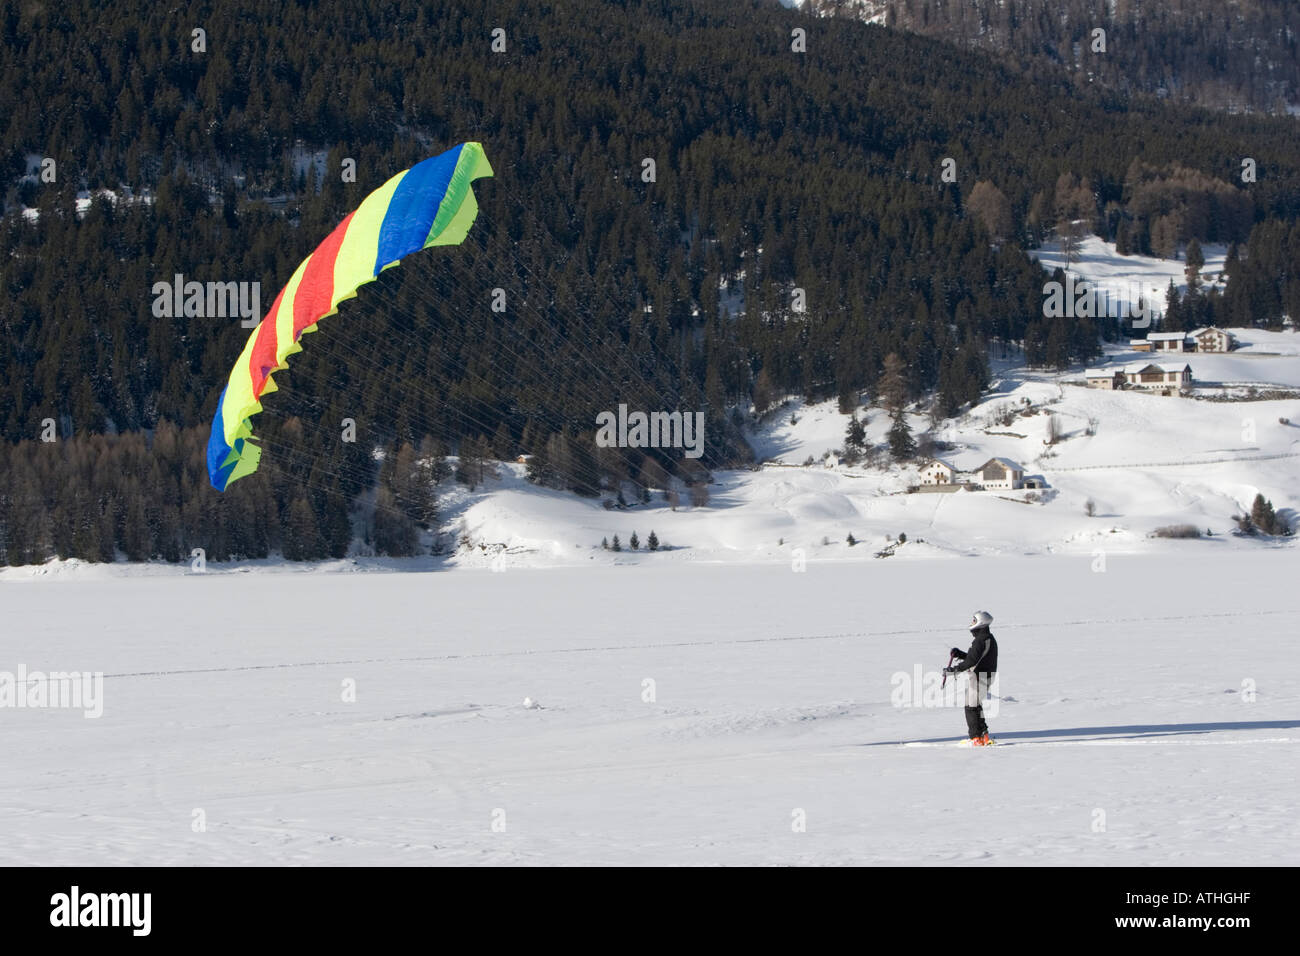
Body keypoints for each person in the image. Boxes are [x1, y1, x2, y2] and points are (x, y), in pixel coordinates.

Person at [944, 610, 999, 746]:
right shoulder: (986, 638)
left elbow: (971, 661)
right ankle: (984, 736)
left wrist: (954, 670)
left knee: (970, 707)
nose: (972, 624)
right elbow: (974, 656)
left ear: (981, 623)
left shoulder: (981, 640)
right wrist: (960, 654)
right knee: (975, 705)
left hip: (981, 677)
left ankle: (976, 738)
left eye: (974, 621)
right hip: (984, 676)